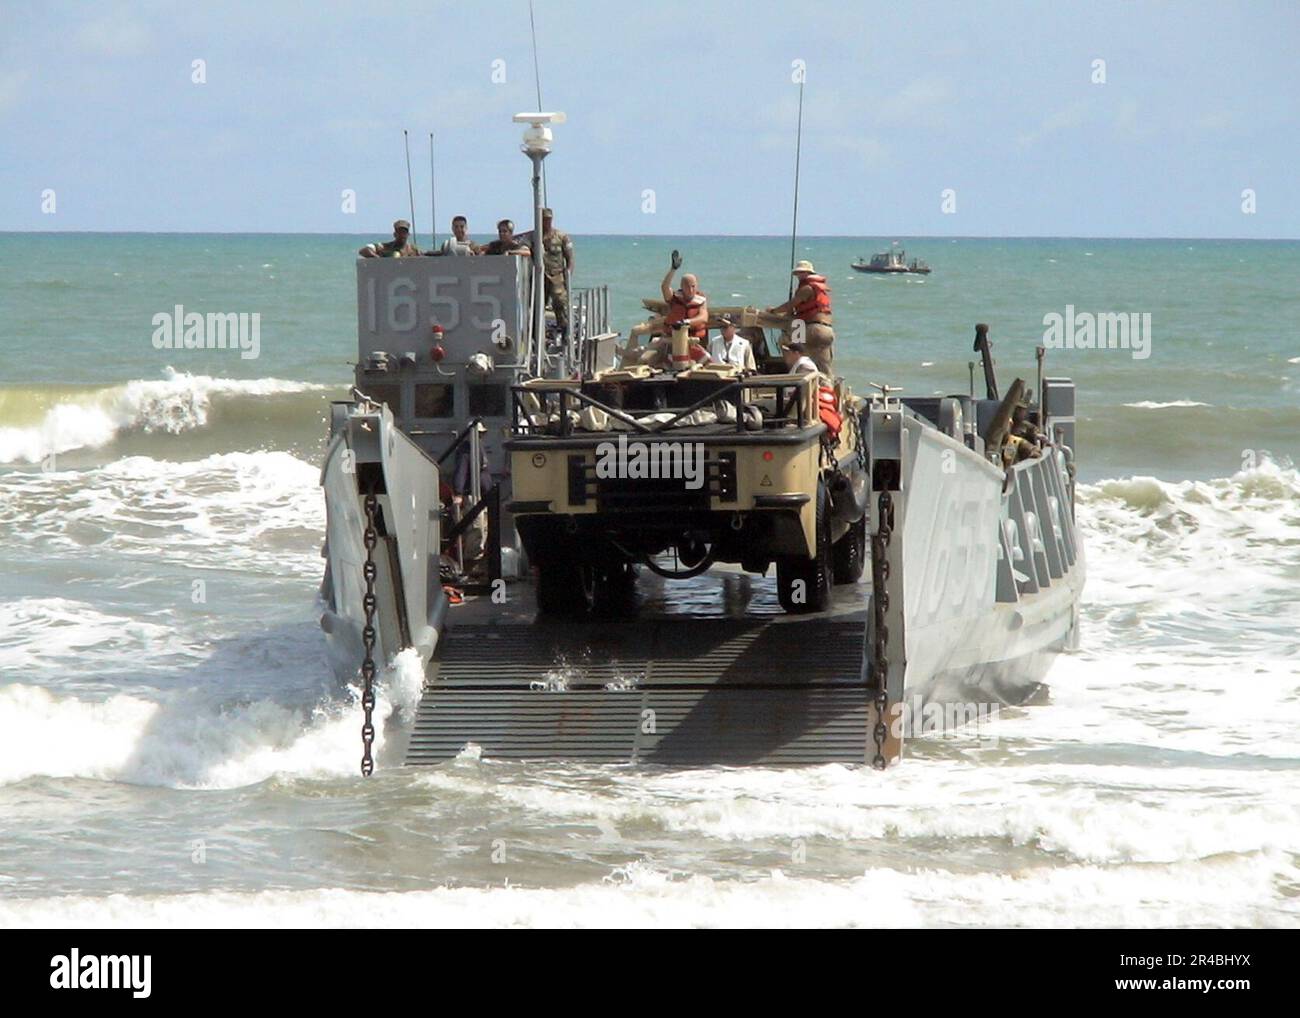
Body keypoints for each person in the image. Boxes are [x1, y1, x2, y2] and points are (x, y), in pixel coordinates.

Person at [767, 260, 834, 373]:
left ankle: (793, 372)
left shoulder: (806, 288)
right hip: (827, 330)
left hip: (813, 329)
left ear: (809, 273)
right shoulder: (819, 289)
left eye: (802, 273)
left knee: (786, 343)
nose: (799, 276)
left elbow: (791, 305)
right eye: (798, 273)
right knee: (824, 366)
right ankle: (827, 387)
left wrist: (774, 311)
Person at [520, 208, 575, 337]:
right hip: (540, 277)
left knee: (560, 304)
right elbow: (523, 246)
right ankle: (536, 336)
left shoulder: (561, 237)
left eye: (549, 219)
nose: (546, 222)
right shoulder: (532, 236)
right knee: (536, 307)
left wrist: (568, 275)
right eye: (544, 219)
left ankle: (566, 333)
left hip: (557, 276)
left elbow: (570, 258)